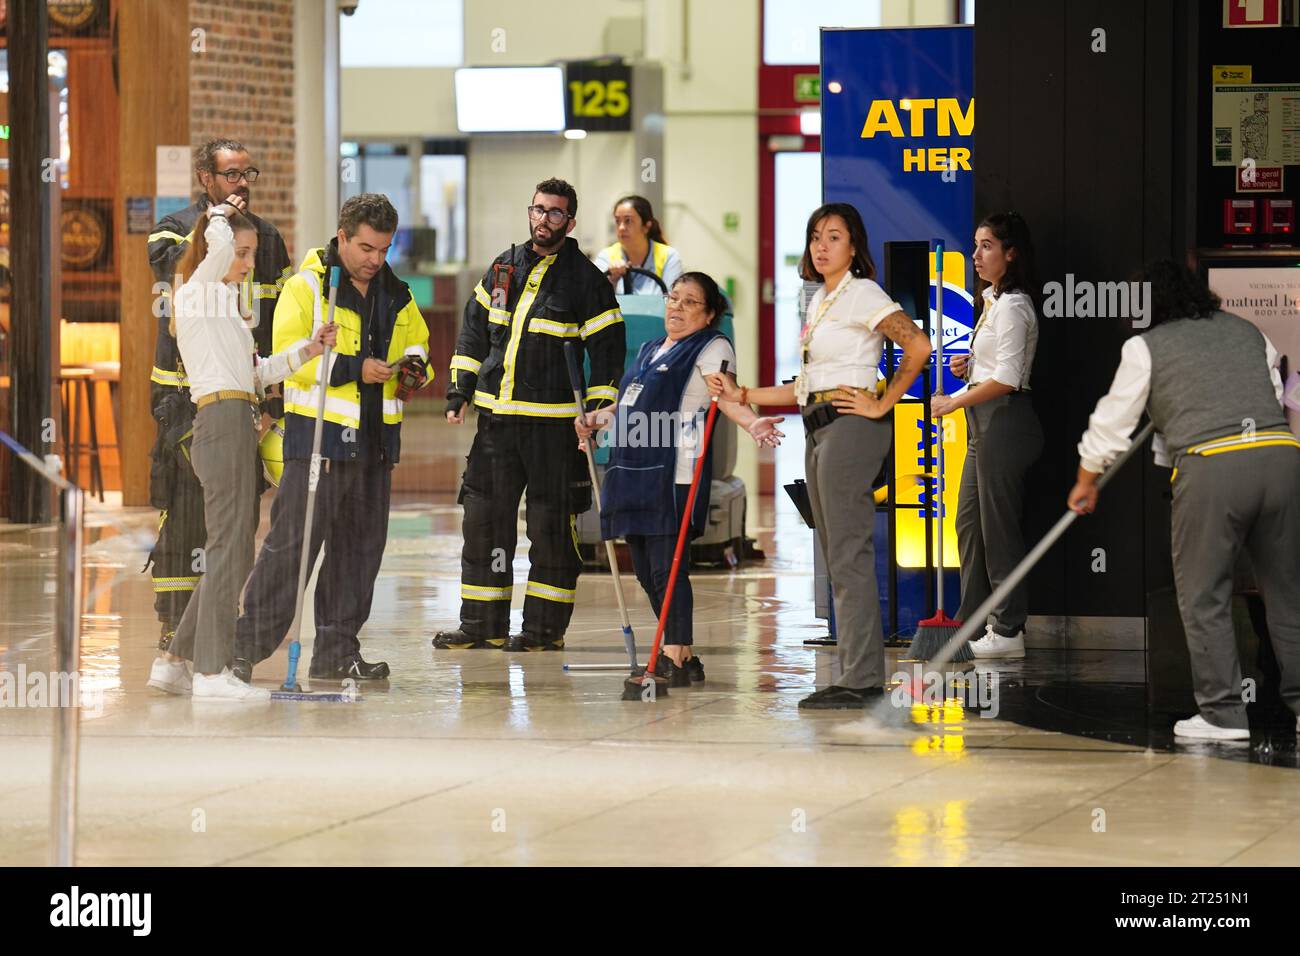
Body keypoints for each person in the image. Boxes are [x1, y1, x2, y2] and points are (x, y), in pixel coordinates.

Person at [707, 203, 931, 709]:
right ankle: (856, 672)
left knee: (847, 554)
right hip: (818, 427)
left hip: (853, 428)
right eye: (815, 236)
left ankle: (863, 677)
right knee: (836, 557)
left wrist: (883, 400)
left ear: (854, 247)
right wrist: (744, 395)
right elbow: (806, 388)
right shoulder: (821, 303)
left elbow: (917, 344)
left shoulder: (862, 293)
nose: (821, 245)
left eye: (834, 236)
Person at [1070, 260, 1300, 741]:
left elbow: (1113, 422)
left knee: (1204, 595)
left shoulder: (1145, 347)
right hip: (1282, 460)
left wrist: (1086, 479)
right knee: (1290, 596)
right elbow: (1272, 395)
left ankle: (1223, 715)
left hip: (1213, 468)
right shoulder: (1246, 331)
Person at [232, 193, 430, 682]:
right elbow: (288, 360)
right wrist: (354, 368)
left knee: (359, 552)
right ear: (342, 236)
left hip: (375, 444)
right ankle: (243, 652)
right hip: (318, 442)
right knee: (291, 549)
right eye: (365, 248)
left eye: (383, 250)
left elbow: (418, 341)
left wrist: (414, 368)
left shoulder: (397, 293)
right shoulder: (306, 289)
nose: (374, 260)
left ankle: (337, 652)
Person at [146, 205, 336, 700]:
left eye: (251, 253)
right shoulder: (198, 292)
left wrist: (309, 351)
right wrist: (218, 214)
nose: (249, 262)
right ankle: (211, 674)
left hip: (235, 416)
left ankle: (172, 663)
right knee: (230, 549)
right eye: (242, 252)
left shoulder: (223, 307)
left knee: (229, 548)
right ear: (214, 249)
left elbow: (258, 373)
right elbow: (220, 245)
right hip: (222, 421)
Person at [435, 178, 626, 652]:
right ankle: (483, 624)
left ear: (571, 221)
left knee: (550, 530)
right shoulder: (503, 268)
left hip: (555, 428)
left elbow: (607, 351)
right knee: (484, 522)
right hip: (497, 423)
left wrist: (600, 412)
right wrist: (459, 389)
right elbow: (473, 333)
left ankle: (543, 631)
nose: (544, 220)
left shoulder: (586, 281)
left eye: (555, 213)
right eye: (538, 210)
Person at [575, 272, 785, 684]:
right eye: (674, 298)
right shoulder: (652, 348)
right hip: (631, 468)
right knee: (643, 570)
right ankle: (685, 658)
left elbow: (724, 396)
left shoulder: (711, 346)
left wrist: (753, 423)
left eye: (690, 302)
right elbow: (627, 404)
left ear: (708, 315)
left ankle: (671, 654)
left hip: (675, 474)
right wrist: (598, 420)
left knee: (666, 569)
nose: (677, 307)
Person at [144, 138, 292, 652]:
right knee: (185, 514)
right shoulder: (178, 231)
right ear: (206, 177)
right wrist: (218, 224)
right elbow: (175, 265)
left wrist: (271, 404)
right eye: (231, 173)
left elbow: (270, 332)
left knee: (233, 526)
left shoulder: (267, 239)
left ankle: (202, 640)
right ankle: (175, 629)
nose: (242, 182)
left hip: (240, 399)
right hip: (183, 398)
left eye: (248, 172)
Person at [930, 212, 1044, 659]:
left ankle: (1010, 628)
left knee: (998, 532)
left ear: (1010, 253)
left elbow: (1011, 378)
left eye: (987, 246)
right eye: (976, 244)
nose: (976, 255)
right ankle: (971, 623)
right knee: (968, 525)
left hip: (1006, 423)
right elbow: (994, 370)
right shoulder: (992, 302)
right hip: (985, 426)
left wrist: (956, 400)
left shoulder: (1014, 306)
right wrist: (969, 368)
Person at [592, 195, 683, 295]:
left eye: (628, 221)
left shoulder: (669, 256)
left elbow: (673, 301)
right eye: (618, 221)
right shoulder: (606, 256)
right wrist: (613, 281)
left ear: (646, 226)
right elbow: (595, 300)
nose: (621, 227)